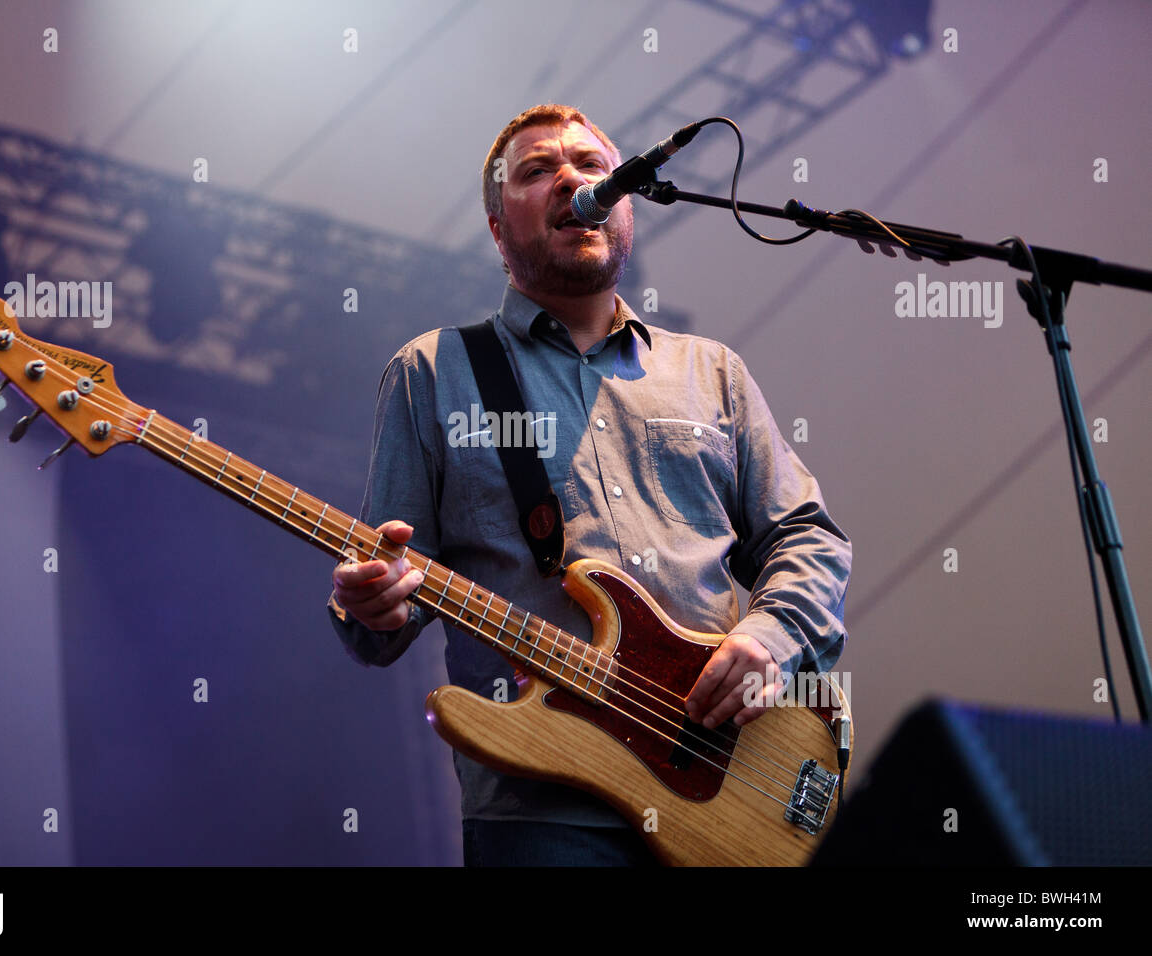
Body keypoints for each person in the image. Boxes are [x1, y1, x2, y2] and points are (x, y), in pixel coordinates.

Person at [326, 103, 851, 866]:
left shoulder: (711, 372)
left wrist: (766, 639)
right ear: (499, 228)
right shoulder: (434, 372)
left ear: (628, 202)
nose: (572, 178)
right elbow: (387, 603)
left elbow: (807, 537)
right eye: (537, 171)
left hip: (733, 786)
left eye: (593, 167)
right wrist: (367, 606)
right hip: (542, 815)